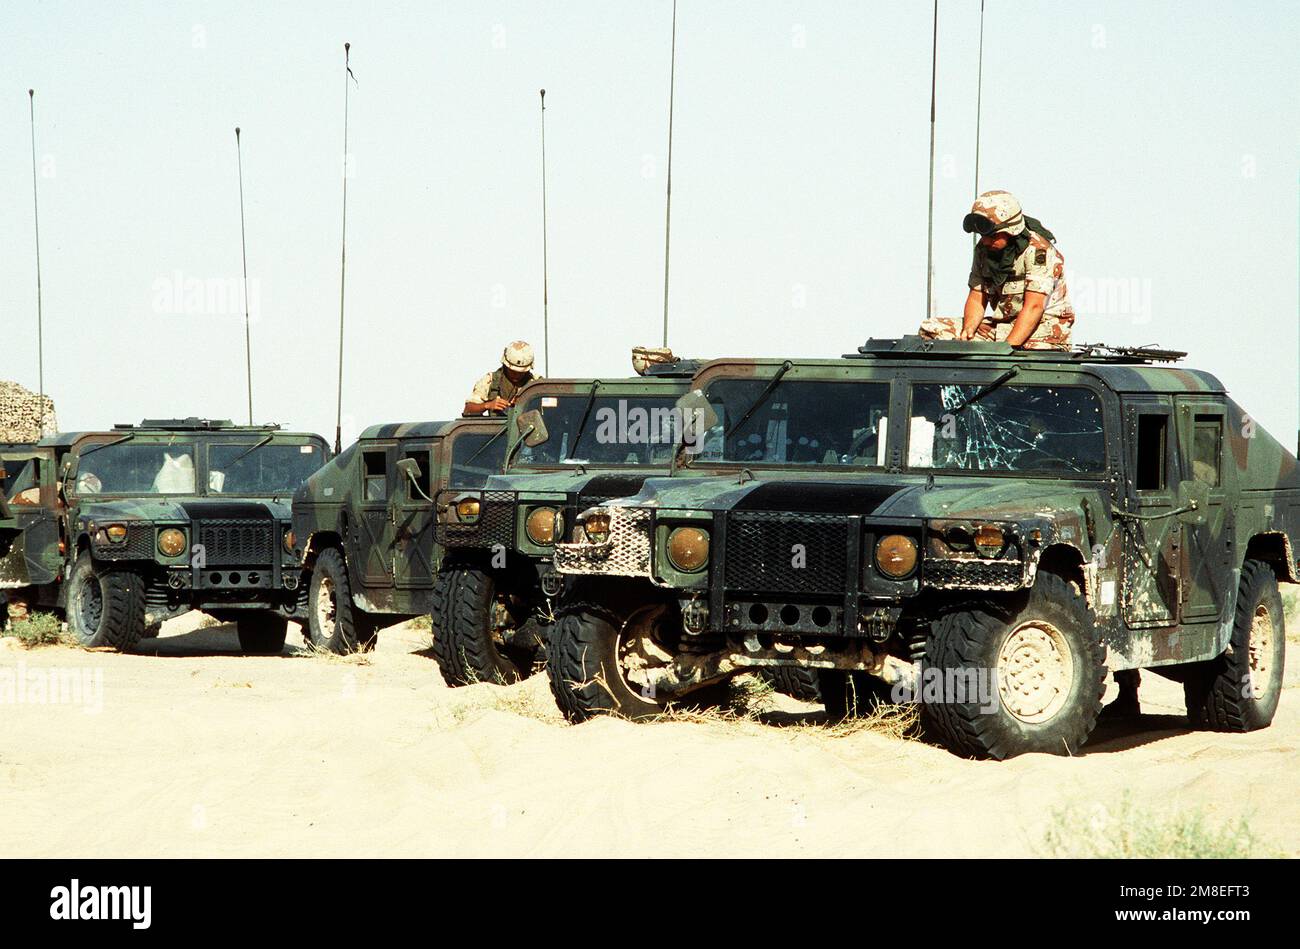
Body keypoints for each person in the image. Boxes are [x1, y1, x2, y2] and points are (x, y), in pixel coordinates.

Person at [920, 190, 1074, 350]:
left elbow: (1034, 307)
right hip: (1002, 327)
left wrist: (1003, 350)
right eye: (982, 235)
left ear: (1011, 230)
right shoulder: (984, 250)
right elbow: (977, 295)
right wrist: (968, 332)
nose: (985, 241)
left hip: (1042, 332)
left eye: (993, 236)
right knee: (931, 329)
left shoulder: (1038, 251)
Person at [463, 341, 539, 416]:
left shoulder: (537, 384)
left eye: (521, 372)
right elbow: (468, 410)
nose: (516, 375)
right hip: (498, 428)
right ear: (505, 365)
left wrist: (527, 403)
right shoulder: (490, 380)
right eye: (512, 371)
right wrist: (488, 405)